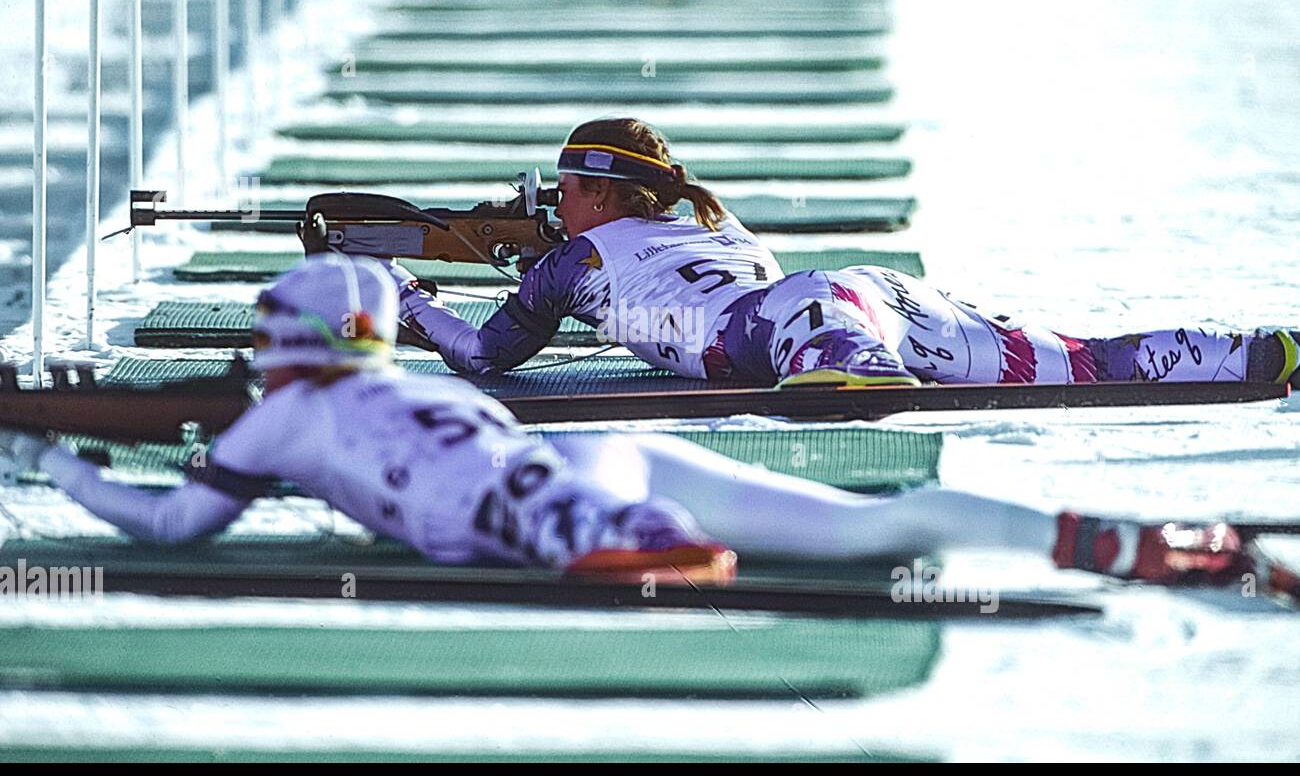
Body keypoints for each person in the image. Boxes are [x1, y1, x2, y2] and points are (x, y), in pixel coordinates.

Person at [0, 256, 1250, 588]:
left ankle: (626, 533)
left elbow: (168, 526)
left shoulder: (282, 423)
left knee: (586, 527)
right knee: (878, 523)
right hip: (573, 448)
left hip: (542, 493)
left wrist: (56, 460)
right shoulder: (426, 388)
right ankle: (1108, 536)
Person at [373, 117, 1300, 391]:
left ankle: (851, 373)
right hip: (860, 293)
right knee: (1077, 363)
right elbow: (619, 240)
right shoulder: (704, 221)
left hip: (798, 323)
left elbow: (488, 356)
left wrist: (408, 299)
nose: (555, 201)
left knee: (826, 350)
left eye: (567, 187)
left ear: (604, 194)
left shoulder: (571, 268)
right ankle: (1251, 351)